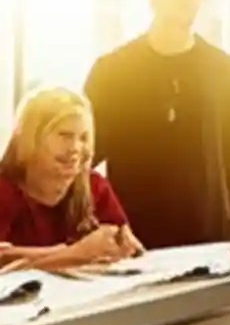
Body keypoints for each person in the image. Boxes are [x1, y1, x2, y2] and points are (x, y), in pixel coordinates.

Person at [84, 0, 230, 250]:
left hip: (211, 242)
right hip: (135, 240)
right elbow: (84, 155)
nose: (190, 1)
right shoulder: (113, 71)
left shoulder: (224, 71)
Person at [0, 87, 142, 270]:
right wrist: (78, 253)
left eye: (83, 138)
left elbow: (129, 249)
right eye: (64, 136)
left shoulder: (95, 186)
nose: (75, 147)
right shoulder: (4, 191)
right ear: (29, 136)